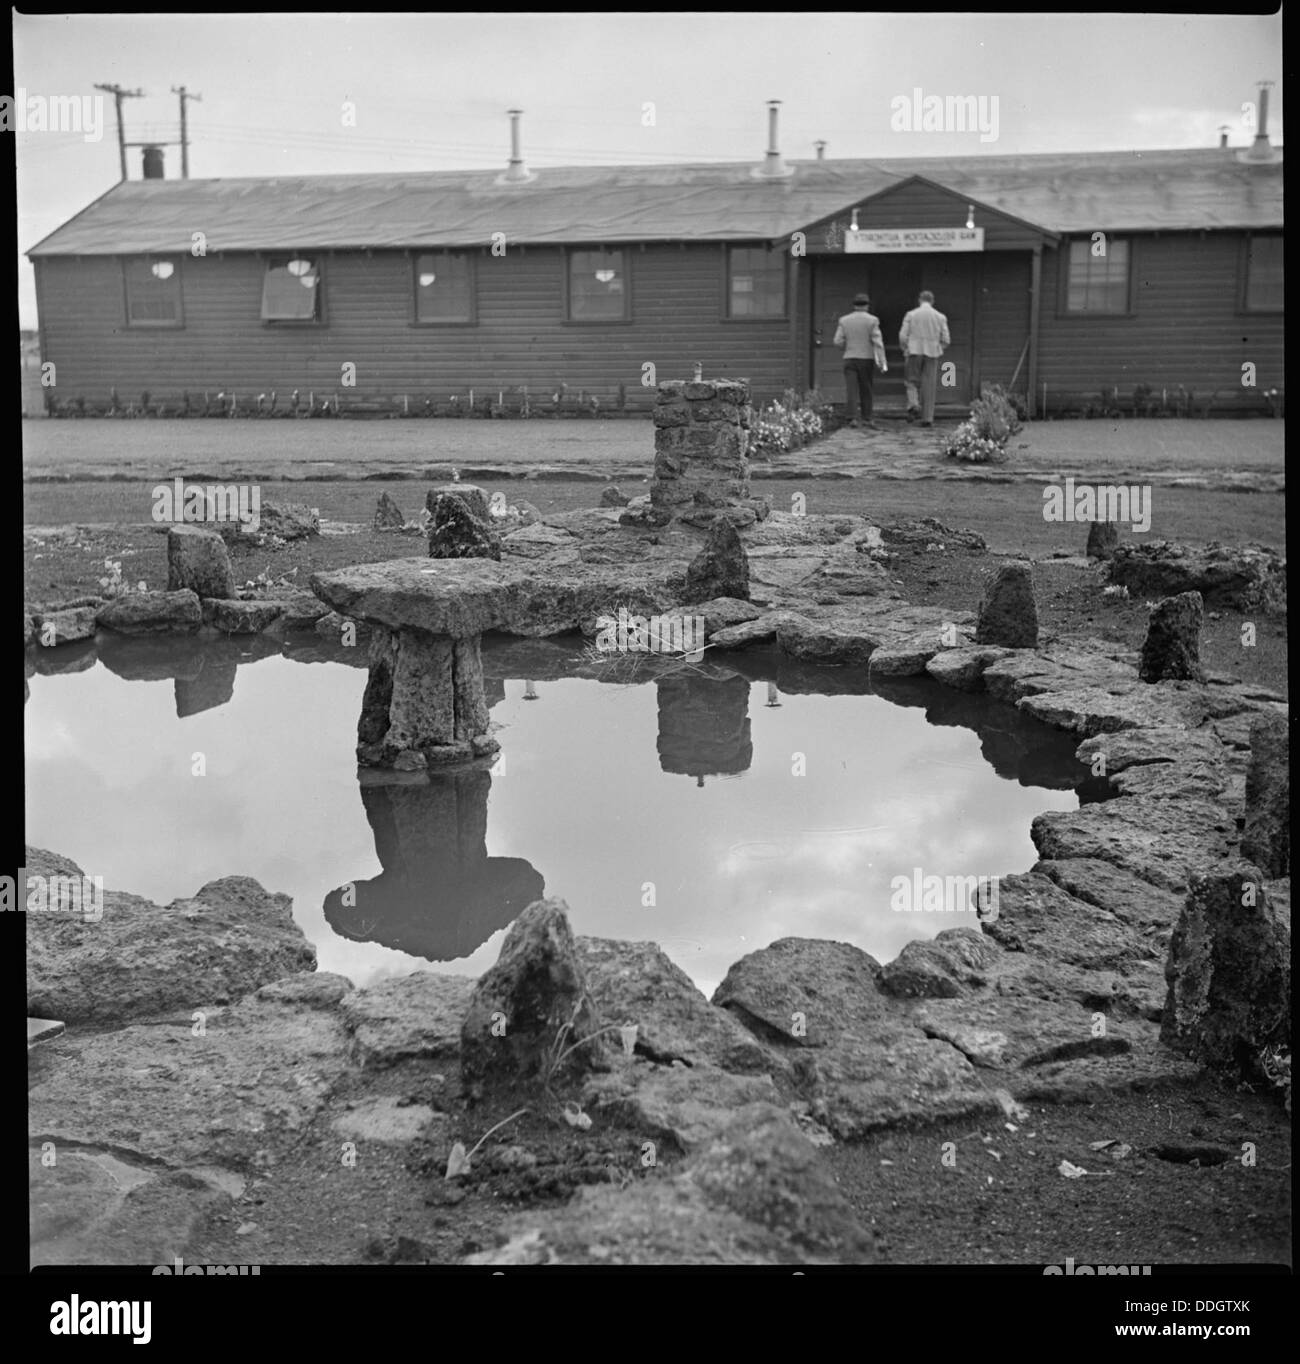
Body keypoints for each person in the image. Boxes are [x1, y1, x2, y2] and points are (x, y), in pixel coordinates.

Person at [833, 293, 887, 428]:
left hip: (850, 357)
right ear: (867, 305)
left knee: (851, 389)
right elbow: (878, 342)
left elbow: (837, 341)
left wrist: (847, 347)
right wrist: (882, 361)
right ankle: (867, 417)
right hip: (866, 358)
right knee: (866, 388)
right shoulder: (872, 320)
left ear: (854, 306)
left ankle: (851, 417)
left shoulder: (844, 320)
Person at [899, 290, 950, 426]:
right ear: (932, 301)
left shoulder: (911, 314)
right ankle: (927, 418)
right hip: (932, 352)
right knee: (929, 385)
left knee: (911, 381)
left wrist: (906, 348)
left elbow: (903, 336)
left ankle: (914, 404)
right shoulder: (940, 317)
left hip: (914, 351)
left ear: (919, 300)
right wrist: (939, 348)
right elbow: (946, 339)